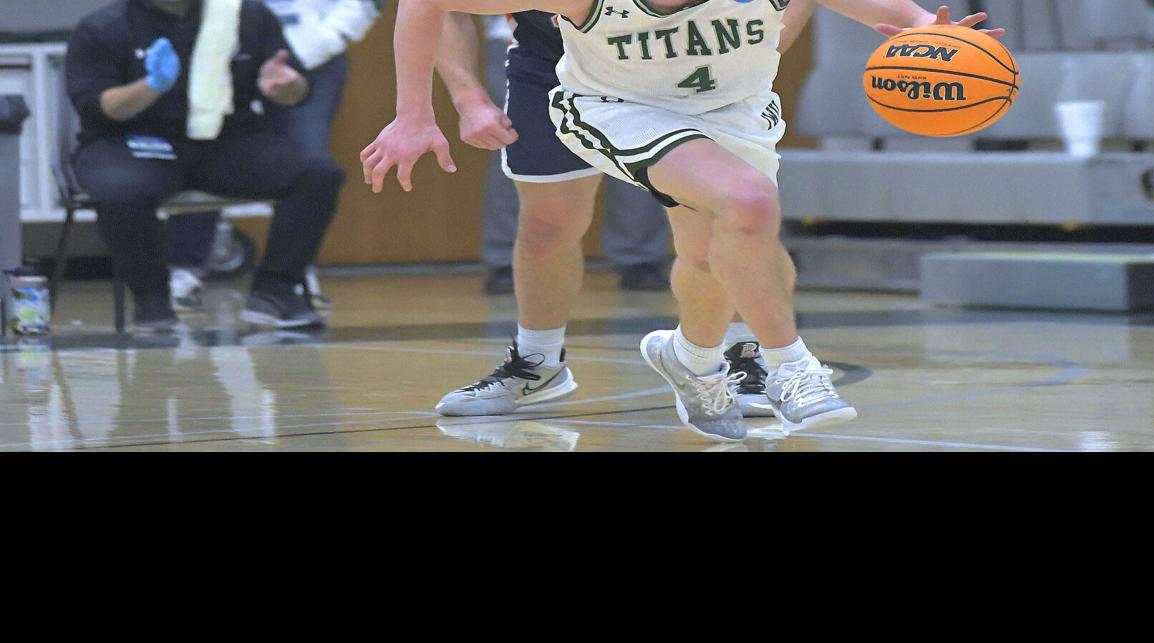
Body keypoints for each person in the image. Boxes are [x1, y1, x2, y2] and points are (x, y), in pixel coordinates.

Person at [365, 0, 1001, 440]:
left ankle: (695, 357)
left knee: (713, 251)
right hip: (610, 93)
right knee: (740, 204)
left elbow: (895, 14)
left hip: (724, 94)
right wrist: (423, 109)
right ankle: (789, 365)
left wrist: (929, 32)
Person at [415, 3, 810, 419]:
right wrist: (466, 97)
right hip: (555, 58)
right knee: (546, 226)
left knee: (728, 215)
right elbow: (436, 6)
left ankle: (746, 353)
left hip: (683, 55)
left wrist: (757, 47)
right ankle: (538, 364)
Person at [67, 0, 346, 330]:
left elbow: (298, 89)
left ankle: (276, 291)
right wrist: (151, 85)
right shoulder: (103, 26)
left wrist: (286, 86)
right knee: (118, 189)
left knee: (317, 173)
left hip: (224, 140)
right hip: (134, 141)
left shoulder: (244, 15)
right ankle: (153, 302)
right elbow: (100, 108)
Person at [166, 0, 380, 312]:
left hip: (314, 52)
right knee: (207, 142)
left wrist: (330, 36)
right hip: (223, 40)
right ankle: (185, 268)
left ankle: (295, 275)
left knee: (309, 164)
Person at [472, 13, 674, 295]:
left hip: (632, 31)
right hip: (526, 36)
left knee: (643, 143)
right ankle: (505, 259)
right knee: (514, 145)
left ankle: (641, 259)